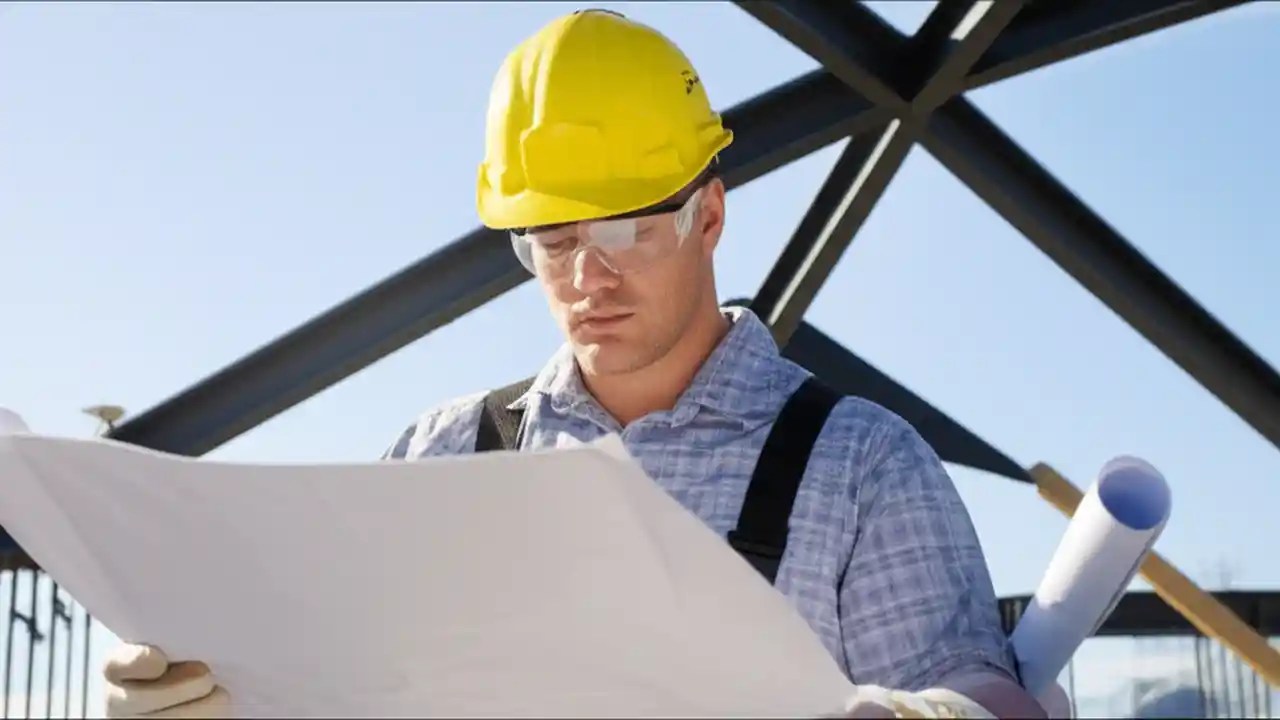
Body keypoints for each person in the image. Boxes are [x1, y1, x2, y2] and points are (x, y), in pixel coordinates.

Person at [102, 9, 1070, 719]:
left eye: (621, 230)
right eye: (550, 241)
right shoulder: (443, 455)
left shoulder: (859, 468)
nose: (584, 276)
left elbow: (964, 690)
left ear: (711, 217)